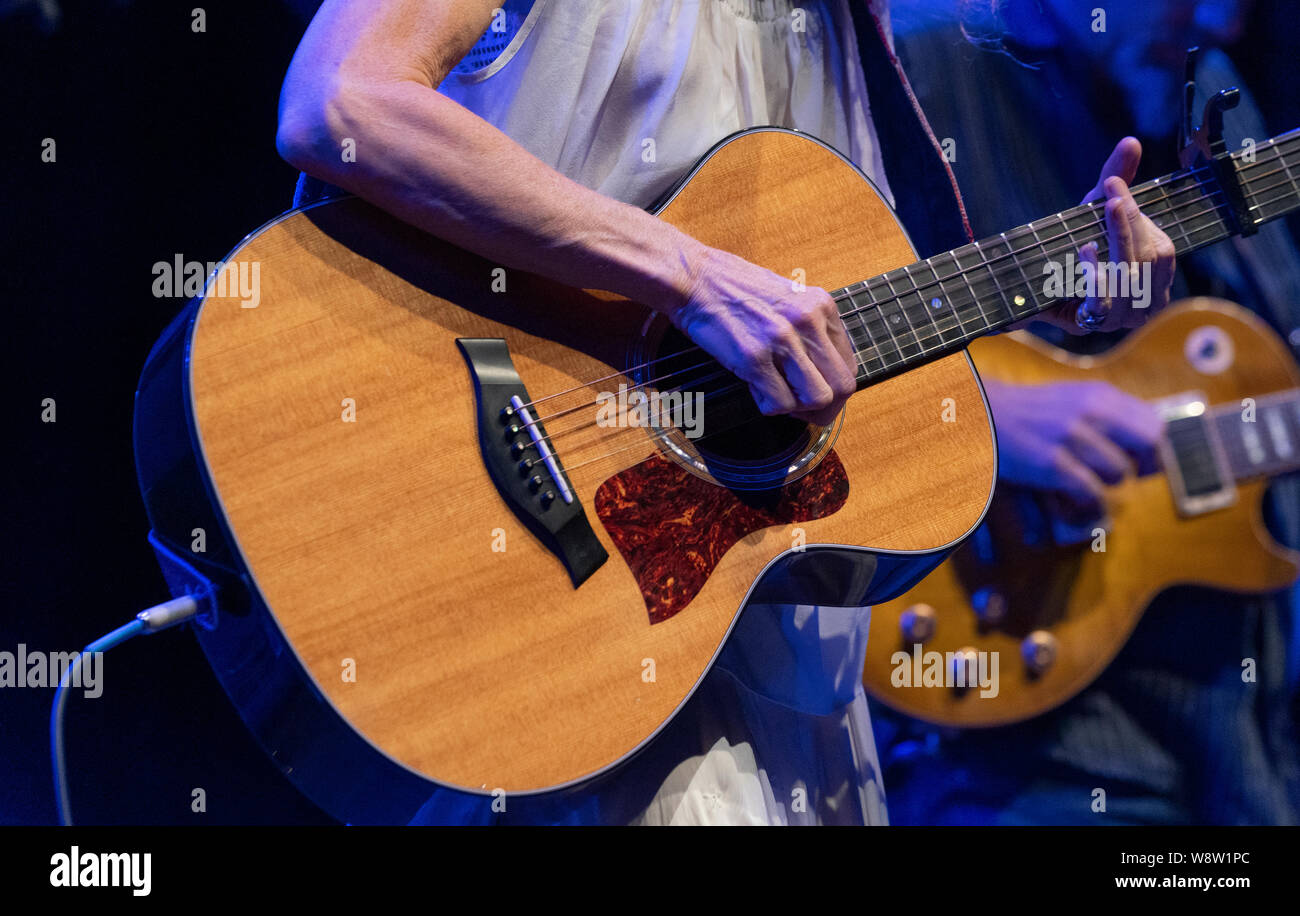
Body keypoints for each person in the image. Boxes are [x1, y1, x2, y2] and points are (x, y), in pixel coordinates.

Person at [274, 0, 1176, 824]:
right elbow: (343, 103)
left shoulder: (849, 26)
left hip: (773, 659)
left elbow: (815, 315)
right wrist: (693, 276)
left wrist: (1052, 288)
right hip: (532, 585)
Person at [870, 0, 1300, 824]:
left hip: (1232, 731)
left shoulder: (1199, 74)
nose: (1222, 16)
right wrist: (991, 414)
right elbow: (777, 352)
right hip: (1020, 748)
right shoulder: (921, 73)